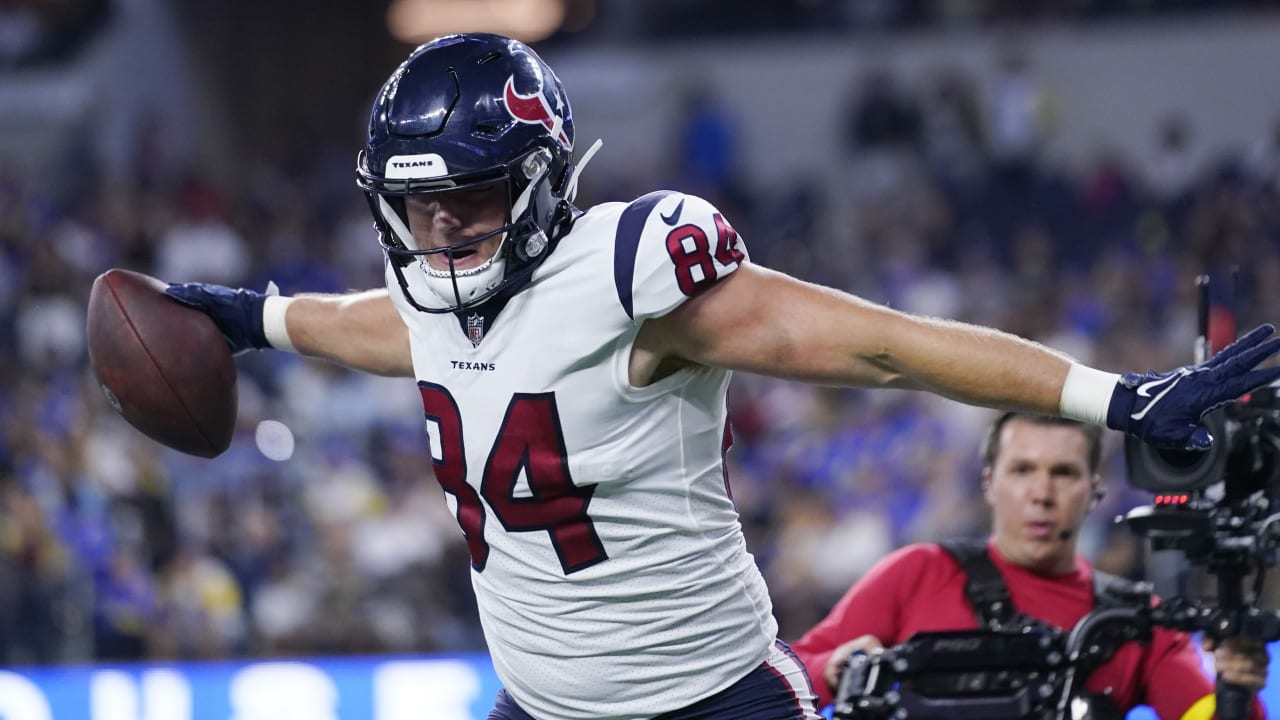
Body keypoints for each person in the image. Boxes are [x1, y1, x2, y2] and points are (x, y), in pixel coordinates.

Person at [162, 32, 1280, 720]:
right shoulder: (426, 285)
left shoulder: (626, 273)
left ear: (542, 182)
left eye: (473, 197)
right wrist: (258, 318)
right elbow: (386, 326)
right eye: (420, 208)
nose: (444, 231)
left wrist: (1108, 395)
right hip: (540, 706)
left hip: (712, 701)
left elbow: (878, 342)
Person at [791, 412, 1271, 719]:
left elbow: (1205, 714)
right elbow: (793, 677)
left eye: (1063, 474)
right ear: (989, 483)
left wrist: (1238, 689)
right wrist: (837, 666)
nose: (1042, 495)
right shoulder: (916, 573)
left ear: (1094, 492)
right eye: (1022, 471)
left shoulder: (1137, 621)